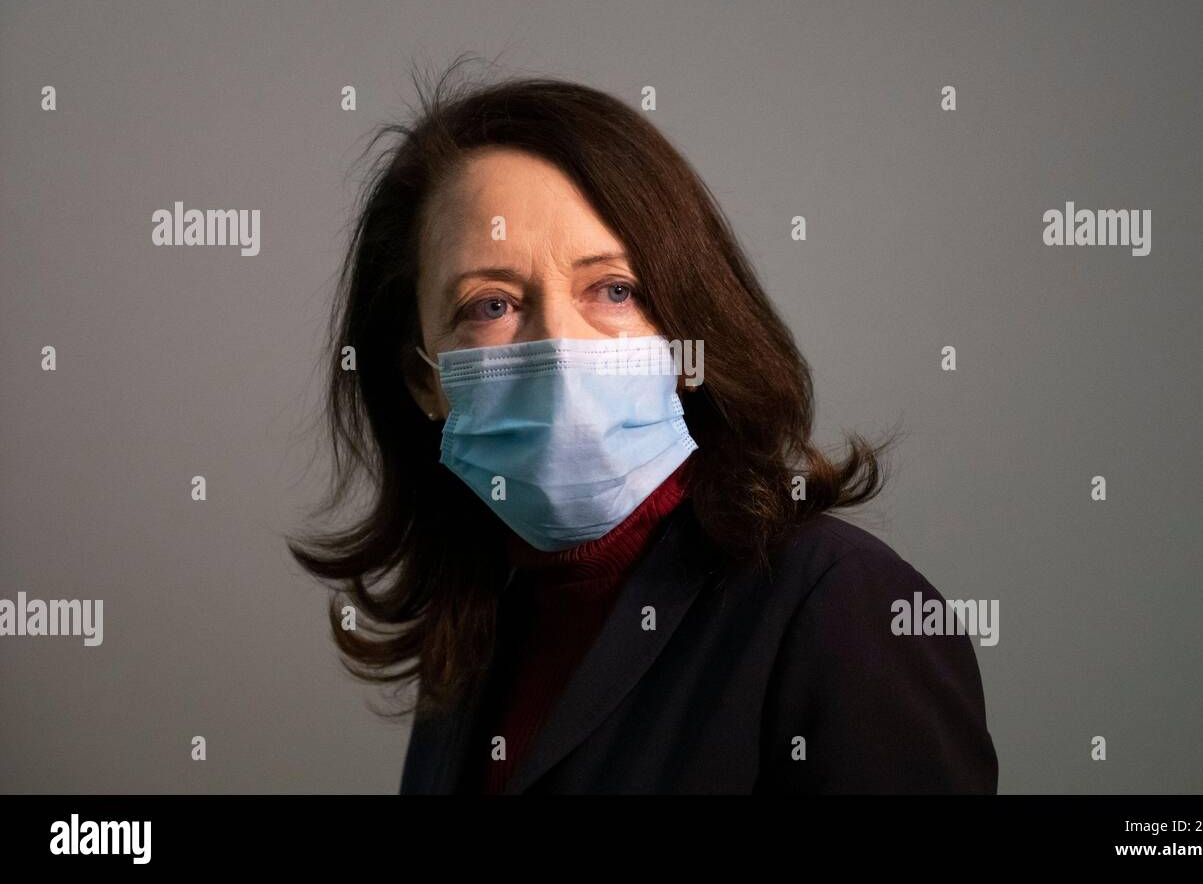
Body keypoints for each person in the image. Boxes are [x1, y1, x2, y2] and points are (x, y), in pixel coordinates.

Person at [288, 56, 998, 794]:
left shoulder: (842, 609)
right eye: (491, 305)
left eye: (614, 289)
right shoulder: (477, 637)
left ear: (688, 338)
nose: (559, 348)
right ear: (423, 380)